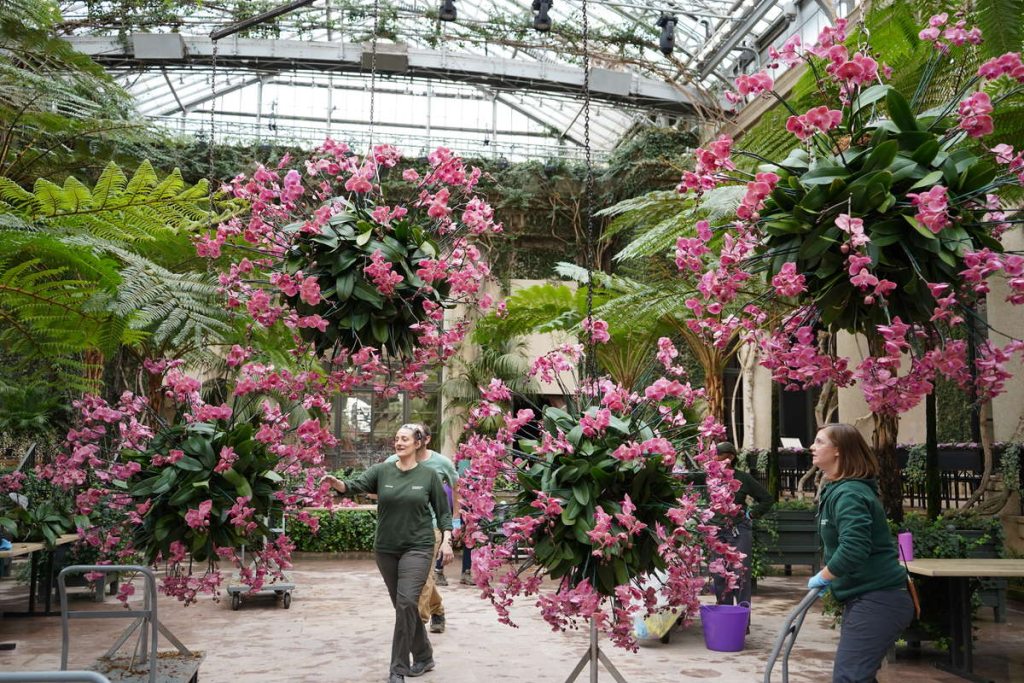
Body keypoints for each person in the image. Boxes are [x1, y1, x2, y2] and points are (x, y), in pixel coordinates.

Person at [322, 424, 453, 683]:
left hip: (418, 546)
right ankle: (425, 656)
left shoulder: (428, 476)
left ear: (418, 443)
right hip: (386, 549)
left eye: (404, 439)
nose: (399, 442)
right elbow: (353, 486)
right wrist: (335, 482)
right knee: (403, 607)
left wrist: (447, 540)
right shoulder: (382, 471)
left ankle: (398, 669)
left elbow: (443, 512)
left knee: (406, 603)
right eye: (396, 438)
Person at [807, 423, 914, 683]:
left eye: (820, 442)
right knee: (857, 676)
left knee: (850, 678)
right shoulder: (838, 489)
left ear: (838, 451)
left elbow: (854, 548)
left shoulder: (850, 493)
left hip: (878, 599)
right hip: (866, 598)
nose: (812, 446)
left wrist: (824, 575)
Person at [384, 423, 458, 633]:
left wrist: (455, 520)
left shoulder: (441, 463)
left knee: (422, 578)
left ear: (424, 440)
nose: (401, 442)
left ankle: (418, 624)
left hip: (431, 528)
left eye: (410, 438)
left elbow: (455, 488)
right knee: (419, 577)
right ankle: (438, 609)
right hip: (402, 530)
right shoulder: (392, 462)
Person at [712, 441, 773, 608]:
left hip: (739, 530)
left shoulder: (743, 478)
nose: (715, 458)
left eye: (719, 455)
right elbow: (686, 479)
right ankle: (725, 617)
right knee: (720, 576)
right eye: (714, 455)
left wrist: (752, 514)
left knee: (740, 576)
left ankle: (742, 621)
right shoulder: (710, 477)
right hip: (717, 531)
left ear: (730, 457)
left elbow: (767, 499)